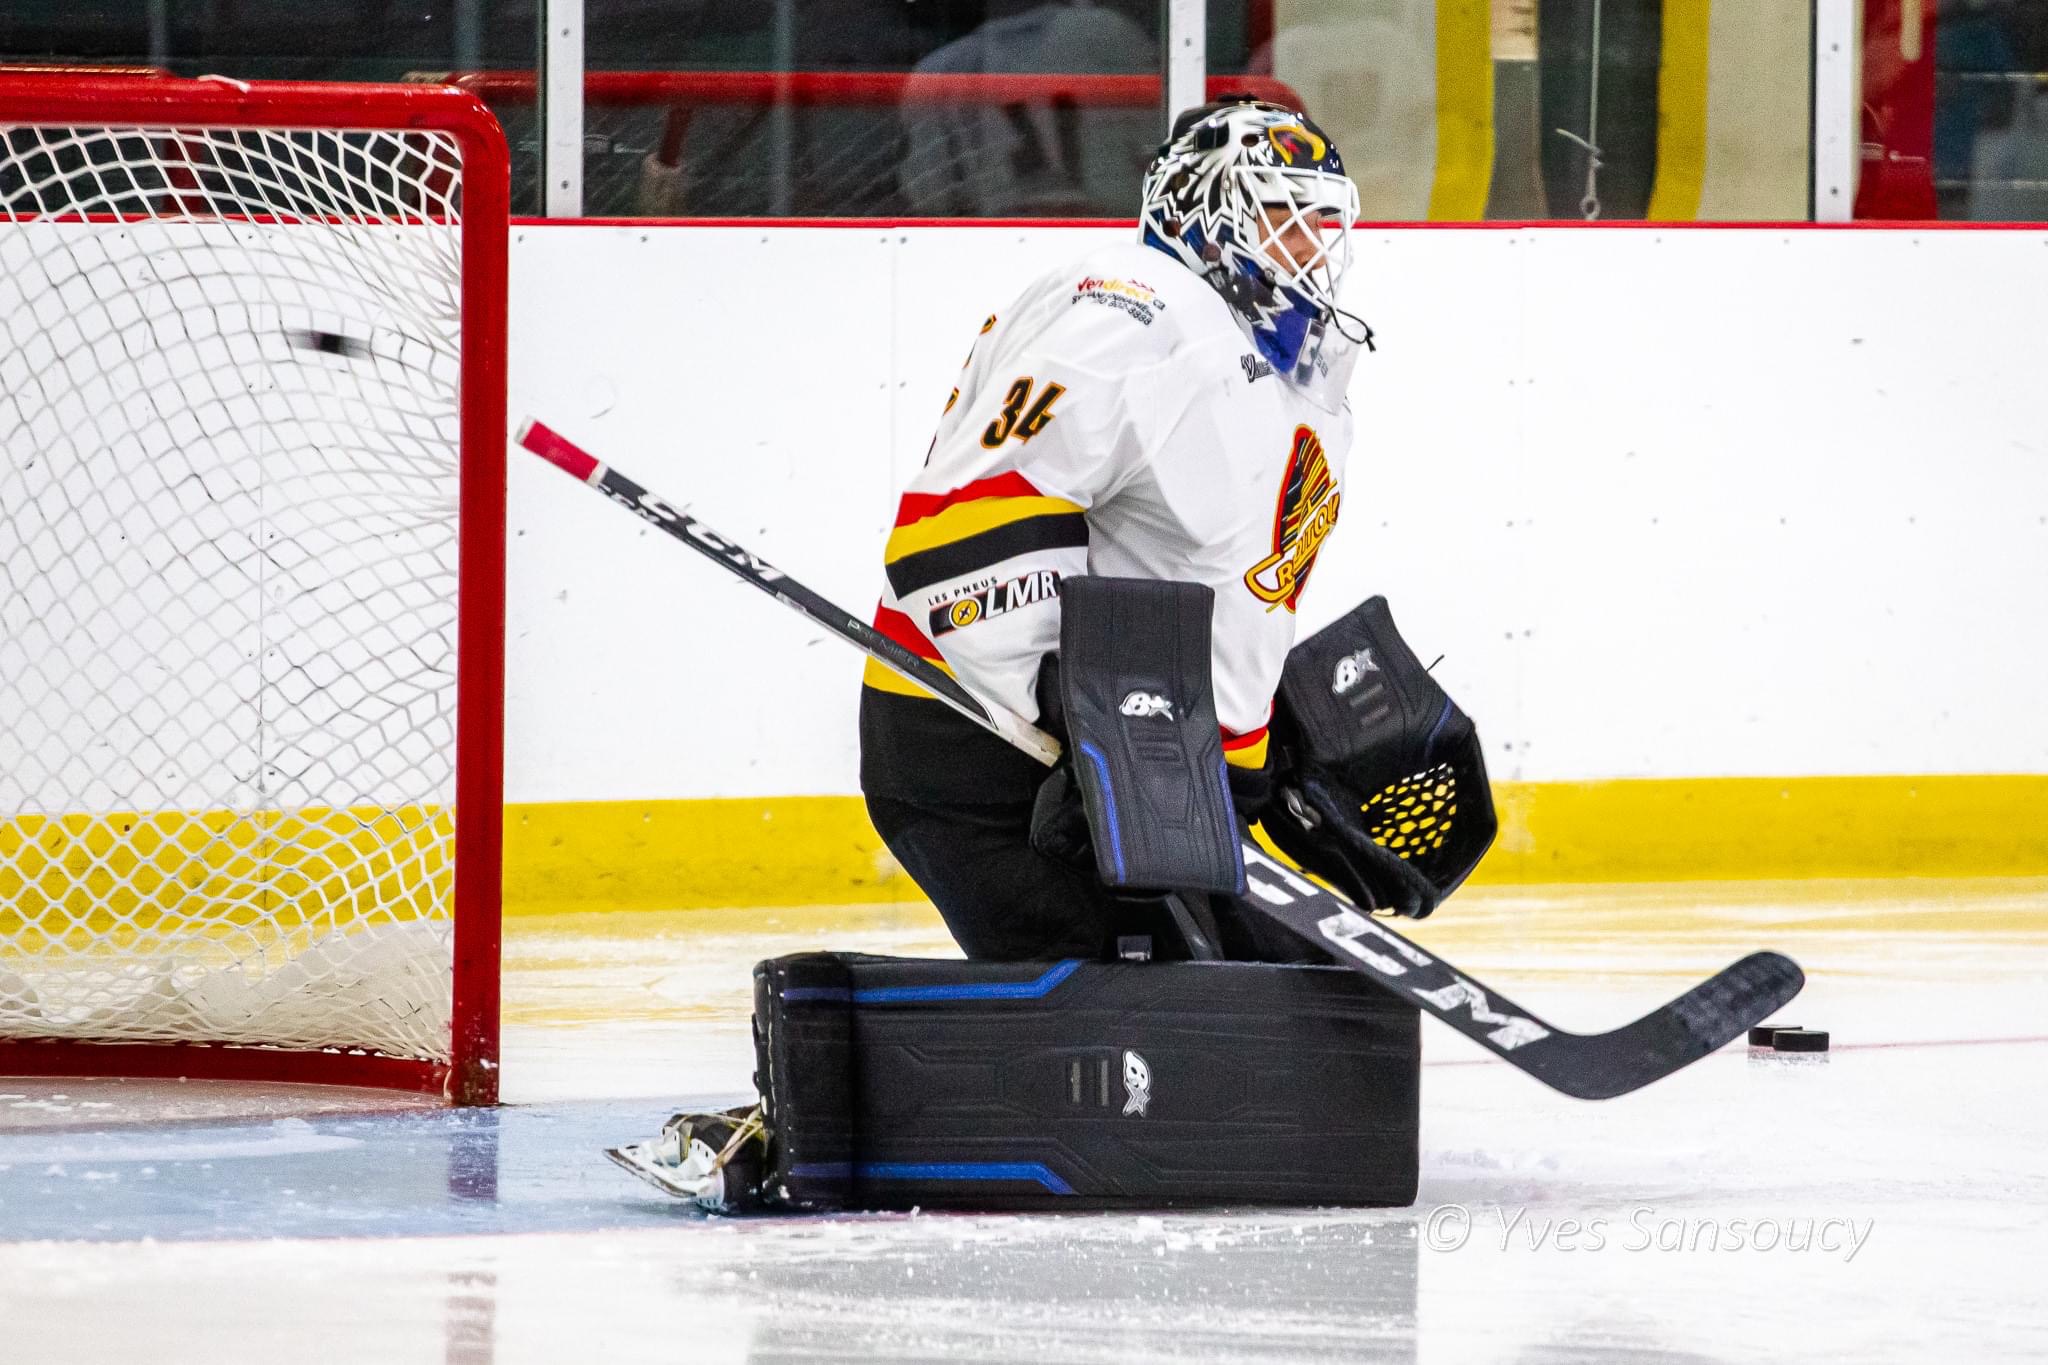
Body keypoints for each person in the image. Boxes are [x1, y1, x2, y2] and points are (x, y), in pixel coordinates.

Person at [859, 95, 1372, 962]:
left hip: (1140, 762)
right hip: (992, 754)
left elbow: (1221, 582)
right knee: (1160, 1029)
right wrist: (1081, 721)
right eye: (1280, 212)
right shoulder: (1135, 313)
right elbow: (961, 521)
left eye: (1322, 219)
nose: (1308, 243)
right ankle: (842, 1074)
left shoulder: (1285, 365)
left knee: (1291, 1008)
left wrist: (1257, 758)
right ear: (1201, 212)